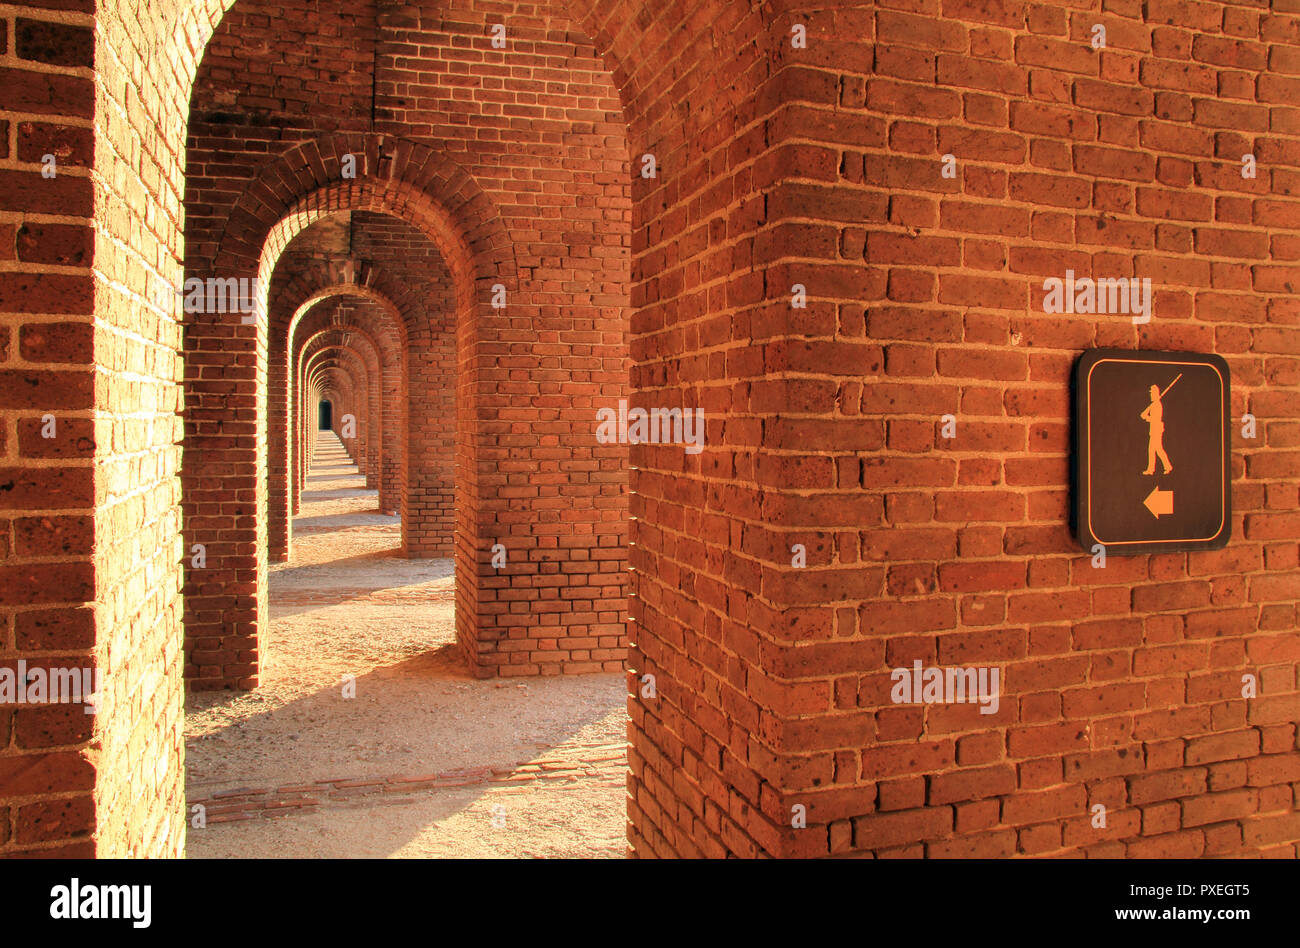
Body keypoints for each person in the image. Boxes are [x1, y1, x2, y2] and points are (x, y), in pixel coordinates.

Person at [1140, 383, 1172, 475]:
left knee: (1154, 450)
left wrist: (1146, 417)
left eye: (1151, 393)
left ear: (1155, 394)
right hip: (1154, 430)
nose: (1150, 395)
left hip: (1156, 430)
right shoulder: (1154, 404)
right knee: (1157, 450)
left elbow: (1155, 419)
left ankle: (1152, 469)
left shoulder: (1157, 405)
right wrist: (1146, 414)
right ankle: (1167, 467)